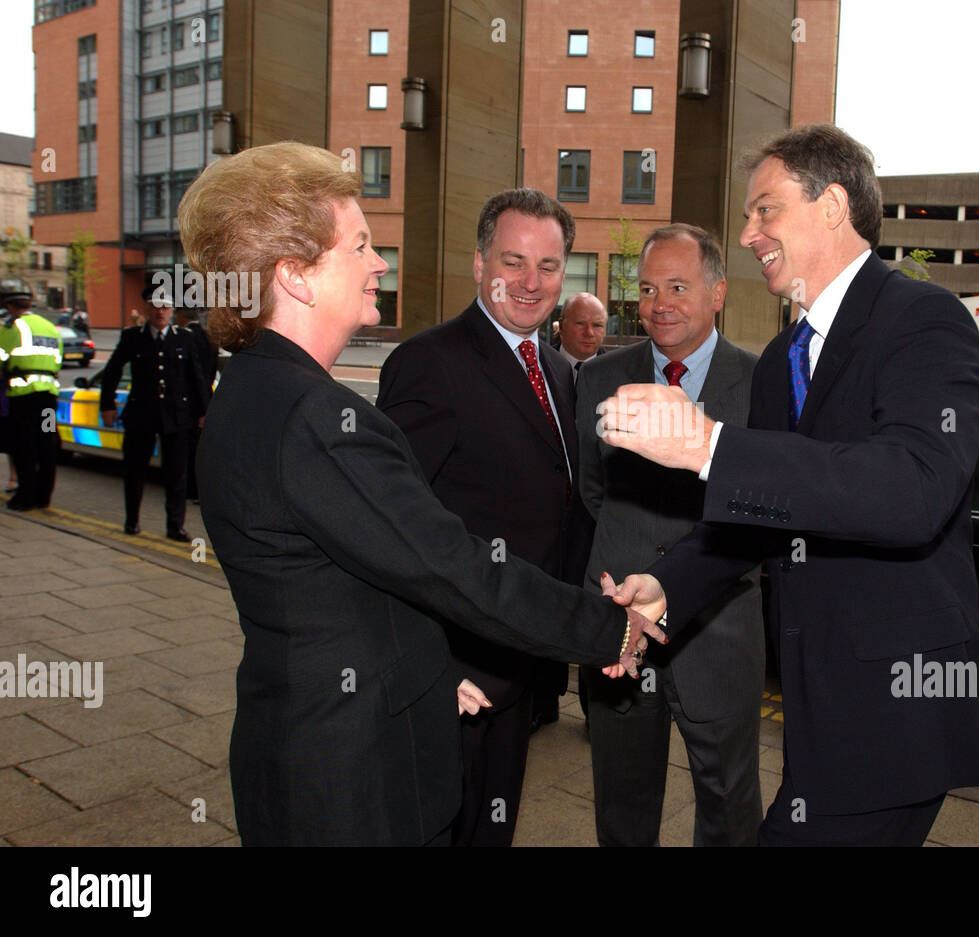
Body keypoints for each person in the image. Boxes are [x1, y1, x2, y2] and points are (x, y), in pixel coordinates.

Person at [179, 142, 662, 846]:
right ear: (295, 275)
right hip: (353, 776)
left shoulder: (252, 389)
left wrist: (431, 664)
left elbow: (357, 573)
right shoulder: (314, 417)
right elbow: (446, 560)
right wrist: (608, 627)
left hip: (319, 740)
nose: (379, 262)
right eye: (360, 245)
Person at [596, 124, 979, 846]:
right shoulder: (787, 352)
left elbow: (913, 490)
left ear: (833, 205)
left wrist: (708, 443)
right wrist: (669, 588)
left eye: (765, 209)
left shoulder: (923, 319)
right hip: (820, 710)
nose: (749, 233)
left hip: (896, 712)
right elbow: (760, 518)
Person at [376, 188, 598, 847]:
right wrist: (431, 663)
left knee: (492, 827)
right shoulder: (428, 363)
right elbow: (393, 530)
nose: (532, 283)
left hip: (521, 658)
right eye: (514, 262)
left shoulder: (558, 370)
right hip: (456, 667)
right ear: (479, 265)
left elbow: (560, 506)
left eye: (549, 267)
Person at [577, 224, 763, 846]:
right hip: (619, 626)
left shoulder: (761, 386)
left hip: (720, 634)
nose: (660, 303)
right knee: (623, 805)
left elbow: (761, 511)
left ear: (718, 293)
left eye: (678, 287)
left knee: (729, 805)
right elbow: (591, 491)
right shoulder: (599, 378)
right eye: (649, 287)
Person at [99, 288, 210, 539]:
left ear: (172, 312)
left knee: (177, 474)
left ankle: (175, 525)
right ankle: (132, 520)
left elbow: (197, 377)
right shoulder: (132, 338)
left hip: (177, 417)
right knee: (135, 470)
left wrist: (204, 411)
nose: (160, 312)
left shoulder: (184, 338)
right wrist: (107, 405)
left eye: (165, 307)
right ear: (148, 309)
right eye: (156, 306)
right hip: (142, 413)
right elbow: (112, 371)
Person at [0, 286, 61, 511]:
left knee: (23, 446)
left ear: (10, 307)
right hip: (48, 398)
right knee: (47, 444)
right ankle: (43, 497)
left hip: (23, 397)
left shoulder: (12, 326)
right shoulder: (50, 327)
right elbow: (58, 359)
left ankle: (24, 498)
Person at [172, 304, 217, 503]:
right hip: (206, 398)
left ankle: (192, 490)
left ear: (180, 315)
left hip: (189, 404)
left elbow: (192, 375)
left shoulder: (186, 338)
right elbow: (210, 372)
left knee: (188, 452)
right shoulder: (209, 337)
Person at [555, 292, 607, 379]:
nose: (589, 333)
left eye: (597, 325)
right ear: (561, 326)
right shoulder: (538, 364)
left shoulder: (619, 372)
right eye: (580, 324)